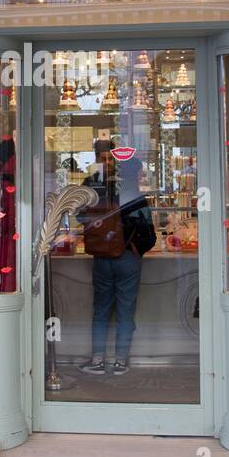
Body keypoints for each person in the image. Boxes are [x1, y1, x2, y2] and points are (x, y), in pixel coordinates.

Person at [77, 152, 155, 376]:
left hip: (102, 258)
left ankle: (97, 360)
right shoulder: (134, 196)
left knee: (101, 311)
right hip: (127, 260)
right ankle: (121, 361)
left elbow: (81, 217)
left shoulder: (99, 192)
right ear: (134, 173)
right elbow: (149, 236)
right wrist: (135, 249)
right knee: (125, 311)